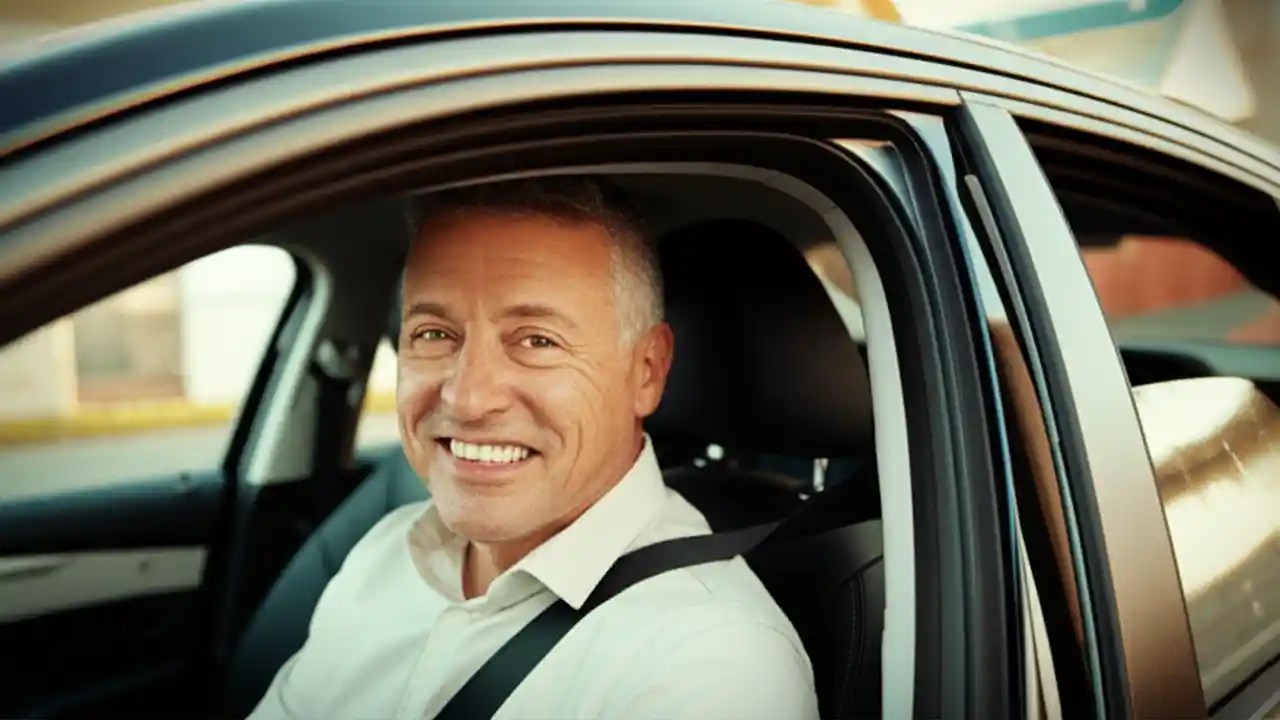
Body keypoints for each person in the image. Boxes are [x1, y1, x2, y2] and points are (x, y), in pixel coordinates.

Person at [249, 177, 818, 719]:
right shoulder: (383, 553)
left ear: (646, 372)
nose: (468, 398)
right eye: (434, 334)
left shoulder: (709, 665)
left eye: (537, 341)